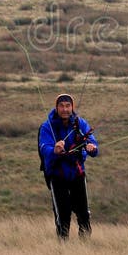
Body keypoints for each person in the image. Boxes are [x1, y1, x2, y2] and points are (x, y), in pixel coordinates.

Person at [38, 93, 99, 239]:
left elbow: (93, 145)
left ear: (72, 107)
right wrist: (54, 150)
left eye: (68, 106)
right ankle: (63, 247)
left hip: (77, 174)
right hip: (57, 175)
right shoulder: (47, 126)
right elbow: (43, 148)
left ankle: (85, 247)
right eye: (61, 106)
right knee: (63, 215)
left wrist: (92, 148)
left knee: (83, 214)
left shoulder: (80, 123)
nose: (65, 109)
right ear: (56, 107)